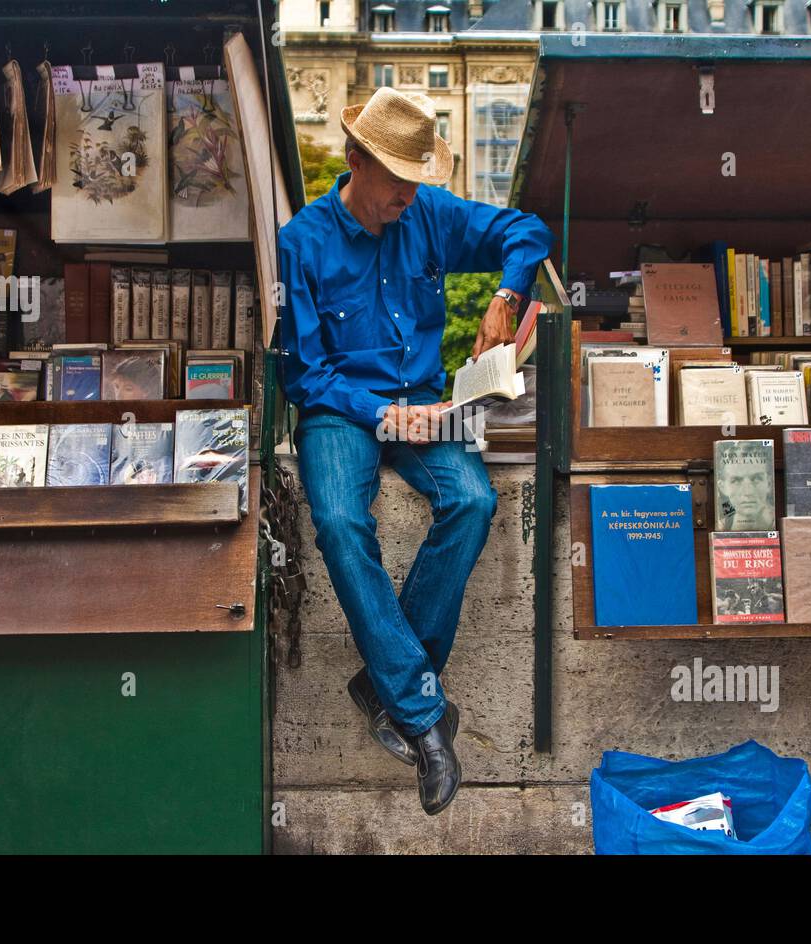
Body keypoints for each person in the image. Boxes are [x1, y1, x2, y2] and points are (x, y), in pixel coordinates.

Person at [278, 87, 552, 815]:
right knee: (338, 521)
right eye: (396, 180)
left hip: (429, 404)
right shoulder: (301, 240)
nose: (407, 194)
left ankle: (387, 685)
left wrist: (504, 295)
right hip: (343, 409)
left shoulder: (427, 212)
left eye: (415, 180)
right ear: (355, 161)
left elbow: (527, 230)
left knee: (474, 499)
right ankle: (427, 717)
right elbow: (304, 373)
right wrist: (381, 414)